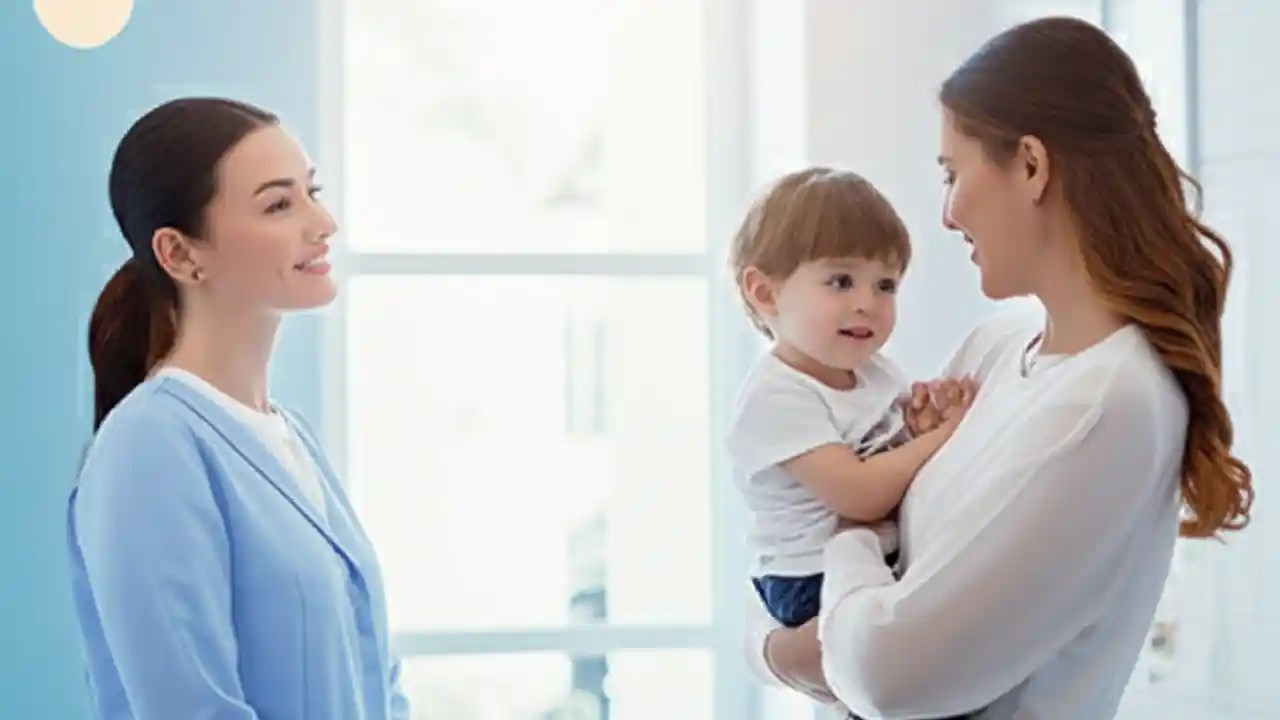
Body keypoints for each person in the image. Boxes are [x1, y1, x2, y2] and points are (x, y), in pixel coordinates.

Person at [746, 16, 1253, 720]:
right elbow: (837, 596)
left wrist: (848, 538)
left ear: (1033, 167)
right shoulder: (997, 348)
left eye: (953, 173)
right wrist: (782, 641)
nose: (949, 214)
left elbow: (886, 678)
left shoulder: (1109, 405)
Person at [66, 97, 410, 719]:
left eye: (312, 192)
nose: (323, 222)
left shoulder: (288, 437)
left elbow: (377, 682)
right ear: (179, 254)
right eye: (279, 204)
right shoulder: (152, 446)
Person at [726, 167, 972, 631]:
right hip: (807, 579)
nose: (868, 303)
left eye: (886, 285)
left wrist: (917, 429)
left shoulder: (873, 372)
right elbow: (860, 494)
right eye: (841, 281)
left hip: (865, 557)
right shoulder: (775, 396)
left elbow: (886, 457)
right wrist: (944, 436)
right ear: (764, 292)